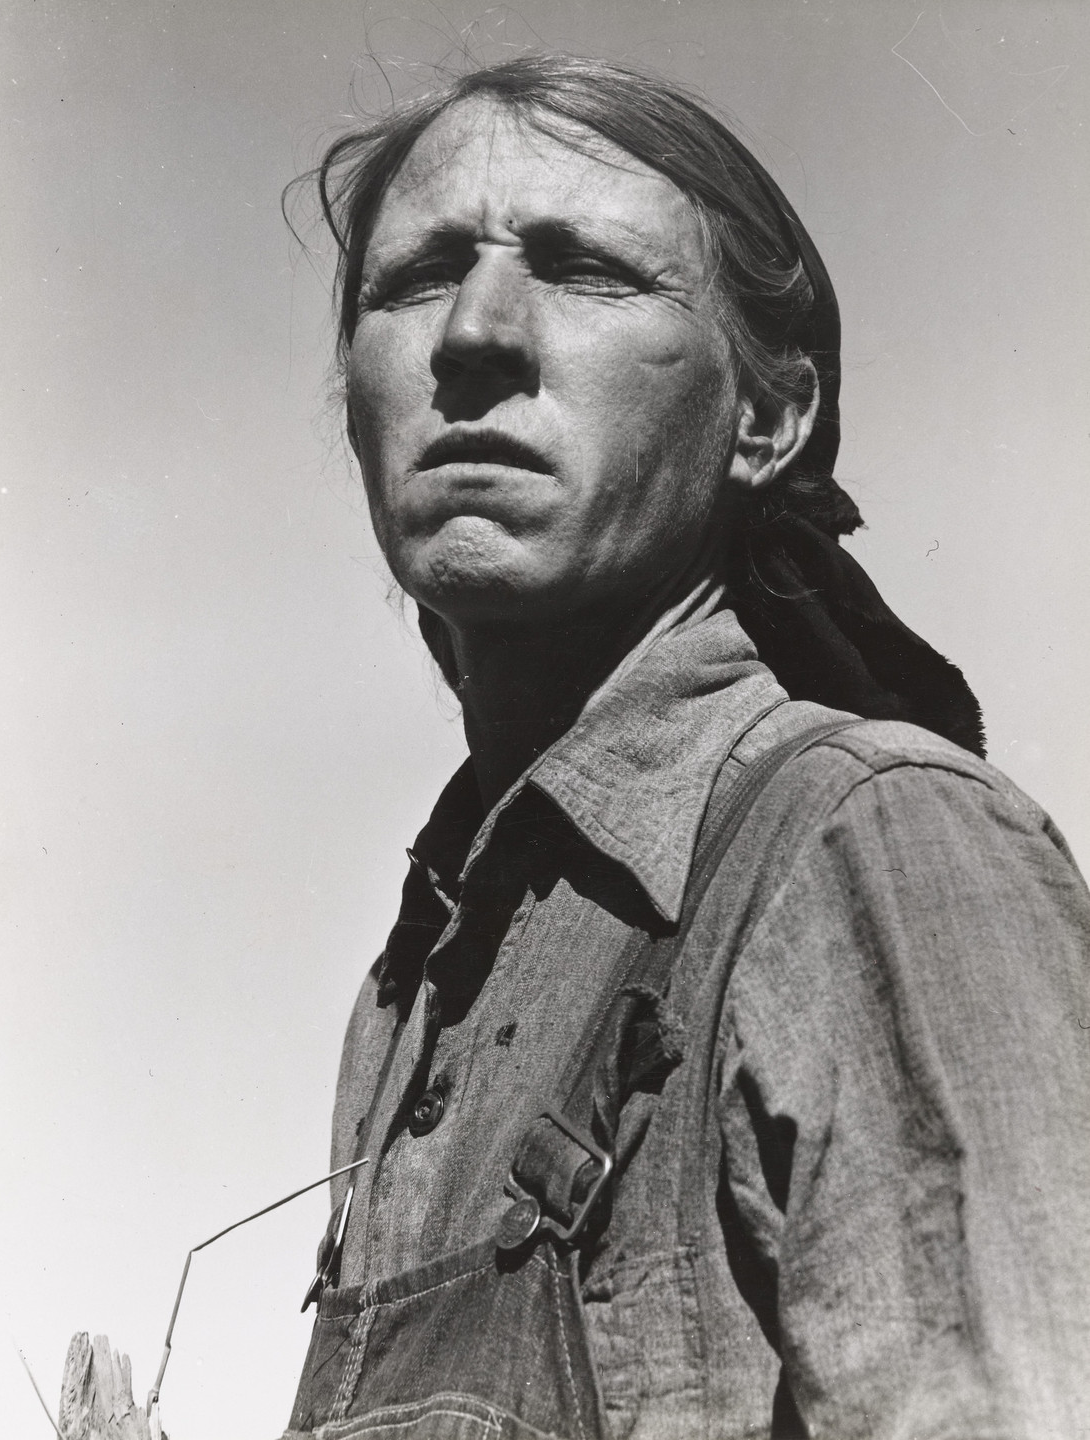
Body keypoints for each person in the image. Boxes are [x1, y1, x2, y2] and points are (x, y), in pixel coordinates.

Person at [282, 55, 1089, 1440]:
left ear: (765, 421)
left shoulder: (873, 840)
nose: (473, 332)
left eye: (583, 268)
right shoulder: (412, 985)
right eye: (410, 279)